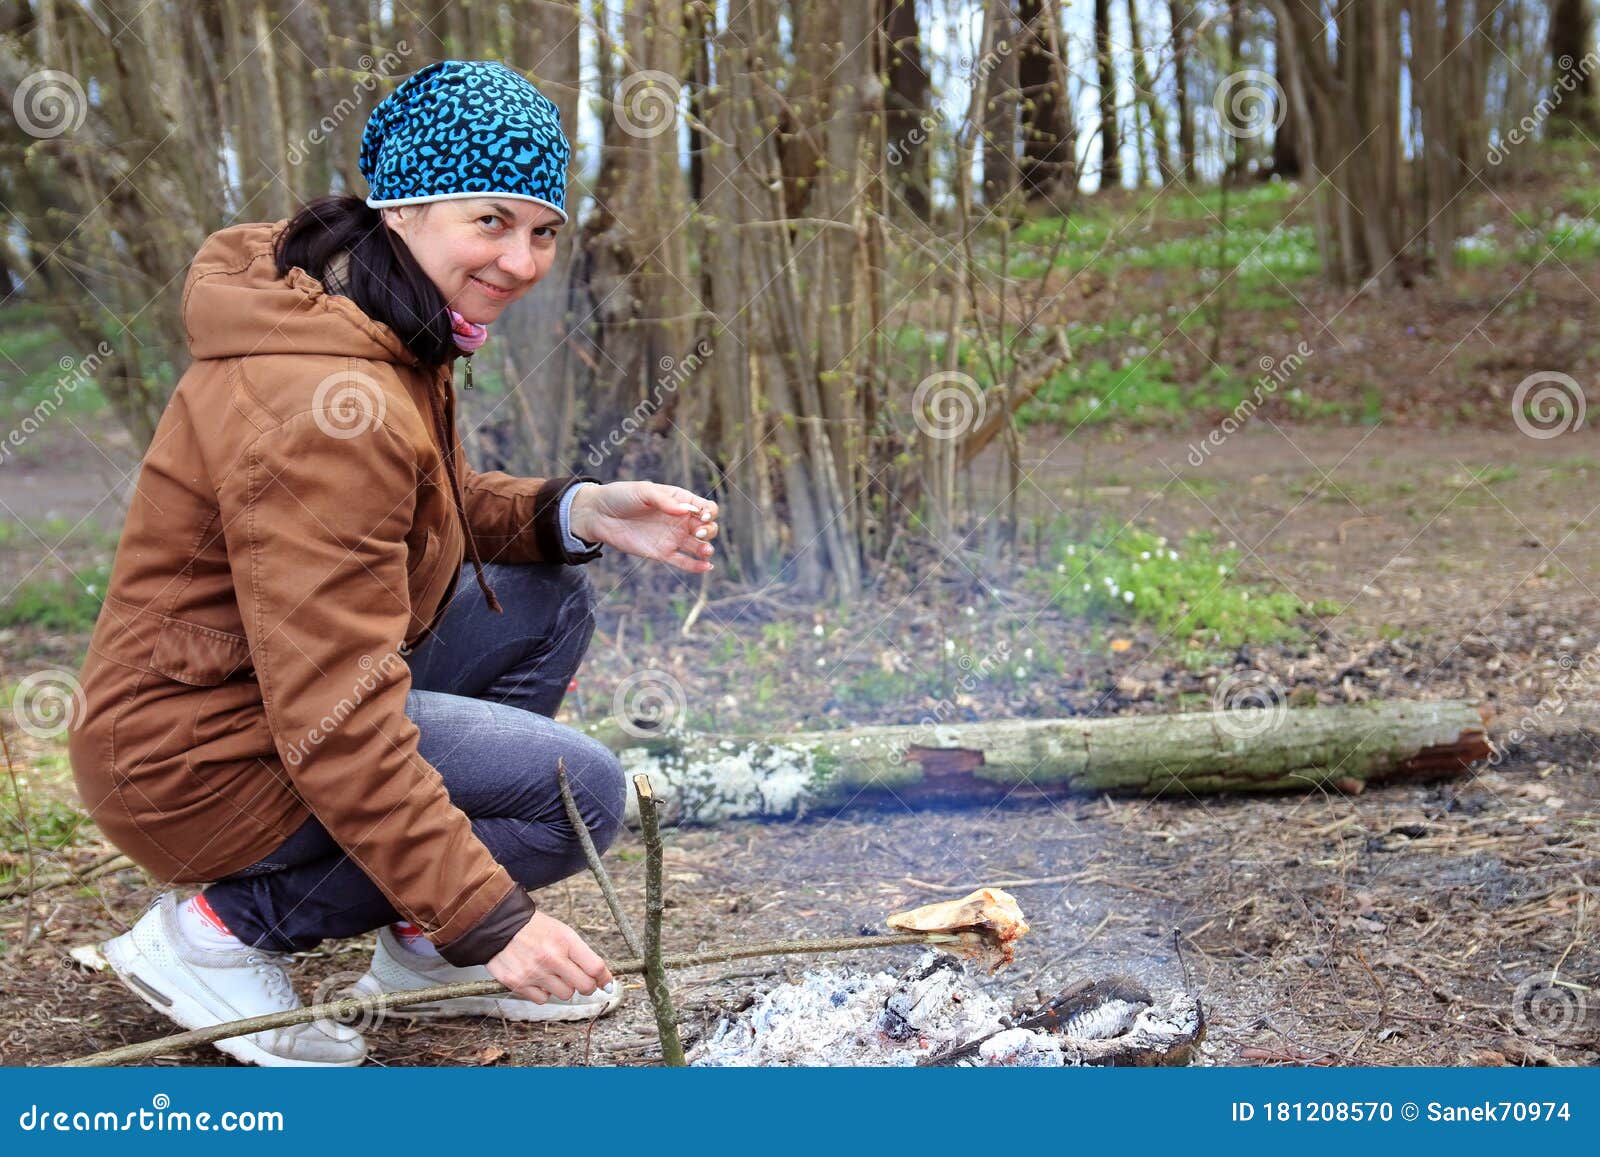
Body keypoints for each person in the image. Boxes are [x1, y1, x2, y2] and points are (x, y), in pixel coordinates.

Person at [64, 60, 720, 1068]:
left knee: (546, 597)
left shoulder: (365, 316)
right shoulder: (332, 396)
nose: (524, 258)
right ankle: (219, 932)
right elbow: (339, 712)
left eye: (543, 230)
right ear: (404, 207)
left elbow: (423, 505)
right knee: (578, 795)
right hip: (191, 761)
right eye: (491, 221)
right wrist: (493, 915)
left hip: (234, 705)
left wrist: (580, 511)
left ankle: (421, 954)